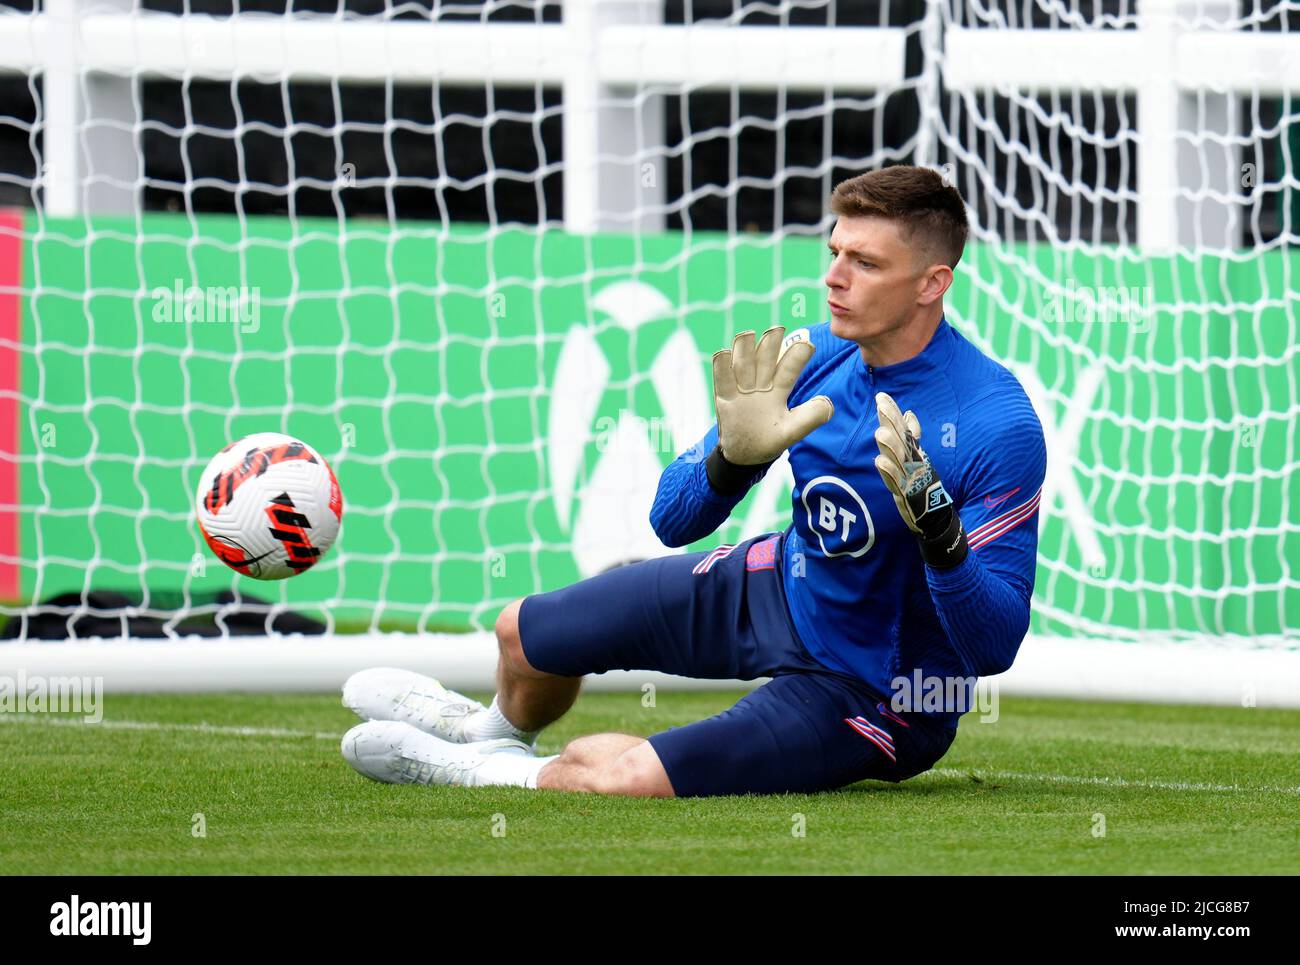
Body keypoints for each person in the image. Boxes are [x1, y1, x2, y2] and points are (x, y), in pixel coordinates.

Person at [340, 164, 1047, 797]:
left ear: (932, 283)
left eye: (864, 262)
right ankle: (486, 732)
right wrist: (731, 461)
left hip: (878, 690)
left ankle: (473, 771)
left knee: (630, 779)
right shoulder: (814, 356)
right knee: (520, 634)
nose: (834, 276)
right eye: (833, 252)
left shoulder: (994, 420)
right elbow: (670, 520)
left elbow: (993, 646)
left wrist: (941, 533)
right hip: (782, 588)